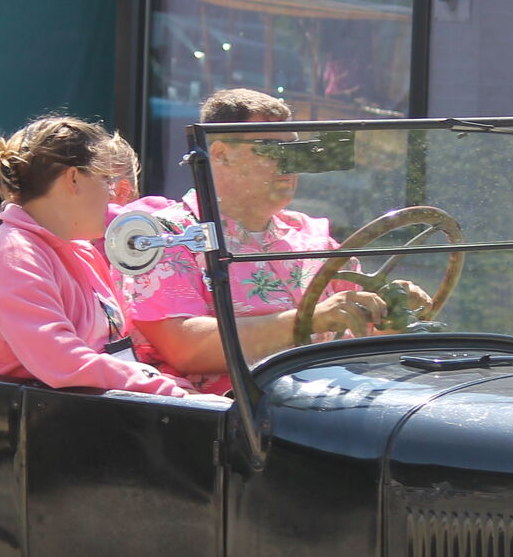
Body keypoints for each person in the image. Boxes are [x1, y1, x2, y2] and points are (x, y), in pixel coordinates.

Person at [122, 89, 387, 387]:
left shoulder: (313, 236)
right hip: (231, 418)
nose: (288, 165)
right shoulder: (168, 236)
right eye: (272, 150)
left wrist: (389, 313)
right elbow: (185, 348)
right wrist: (306, 320)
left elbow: (364, 331)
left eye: (295, 152)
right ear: (221, 154)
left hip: (332, 400)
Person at [0, 116, 201, 397]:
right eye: (105, 179)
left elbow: (112, 347)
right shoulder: (11, 256)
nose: (111, 193)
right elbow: (64, 362)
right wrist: (172, 392)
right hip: (37, 424)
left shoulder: (77, 250)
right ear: (73, 179)